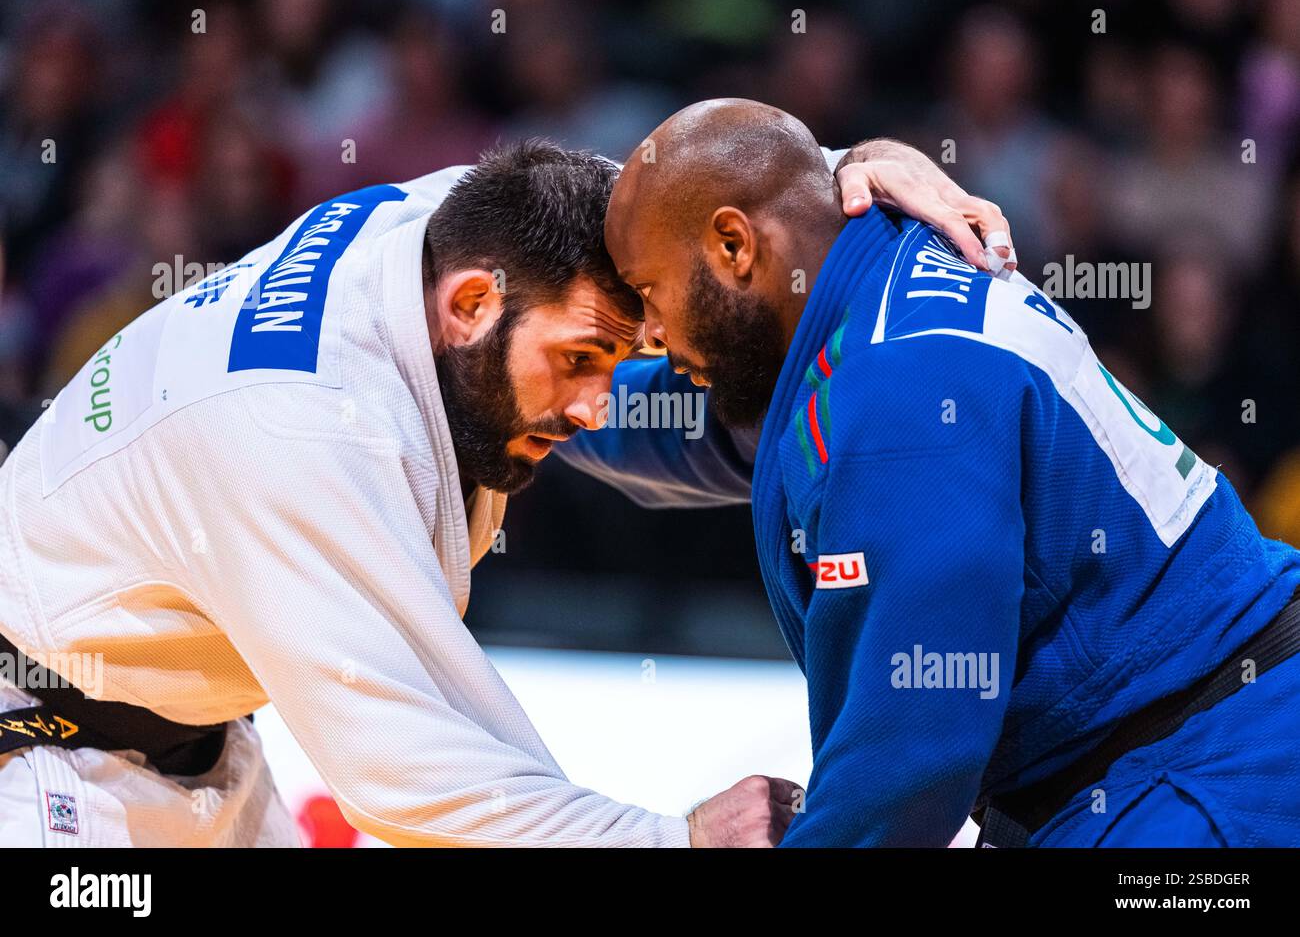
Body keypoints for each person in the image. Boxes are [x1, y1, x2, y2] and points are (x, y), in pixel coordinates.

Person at [0, 132, 1001, 847]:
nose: (602, 405)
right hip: (56, 764)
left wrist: (848, 181)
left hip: (200, 731)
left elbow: (694, 190)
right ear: (471, 305)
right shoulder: (305, 434)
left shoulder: (468, 222)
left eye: (621, 355)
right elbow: (421, 783)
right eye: (580, 359)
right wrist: (676, 839)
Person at [561, 99, 1300, 847]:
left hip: (1215, 780)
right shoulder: (887, 260)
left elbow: (906, 768)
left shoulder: (898, 397)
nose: (649, 333)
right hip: (1189, 748)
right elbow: (706, 422)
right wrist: (548, 389)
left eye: (649, 292)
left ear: (733, 245)